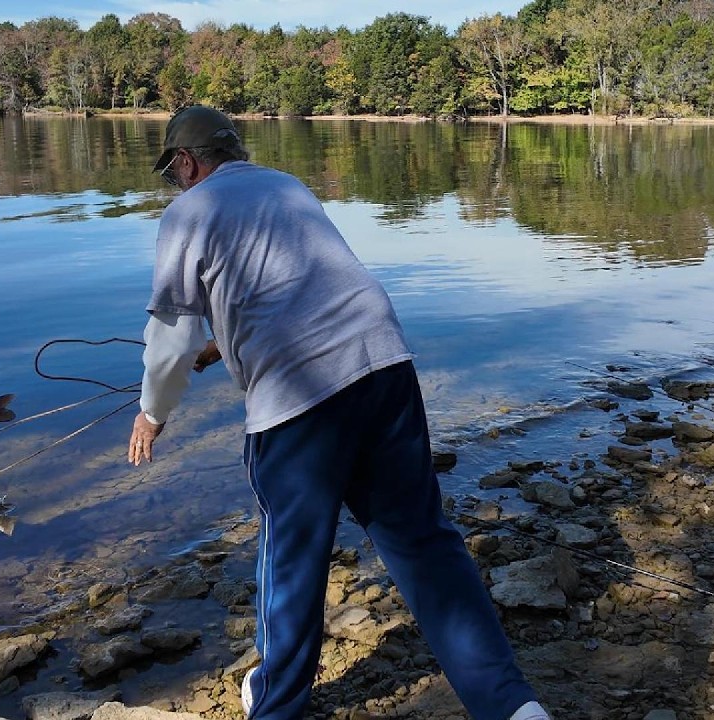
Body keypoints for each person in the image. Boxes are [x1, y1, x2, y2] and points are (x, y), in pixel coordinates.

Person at [126, 105, 550, 720]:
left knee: (291, 559)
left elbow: (168, 340)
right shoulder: (286, 185)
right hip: (383, 365)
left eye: (174, 172)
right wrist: (227, 341)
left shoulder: (187, 212)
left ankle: (275, 707)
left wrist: (151, 414)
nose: (175, 184)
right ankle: (512, 707)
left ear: (187, 162)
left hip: (297, 406)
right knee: (424, 544)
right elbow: (301, 286)